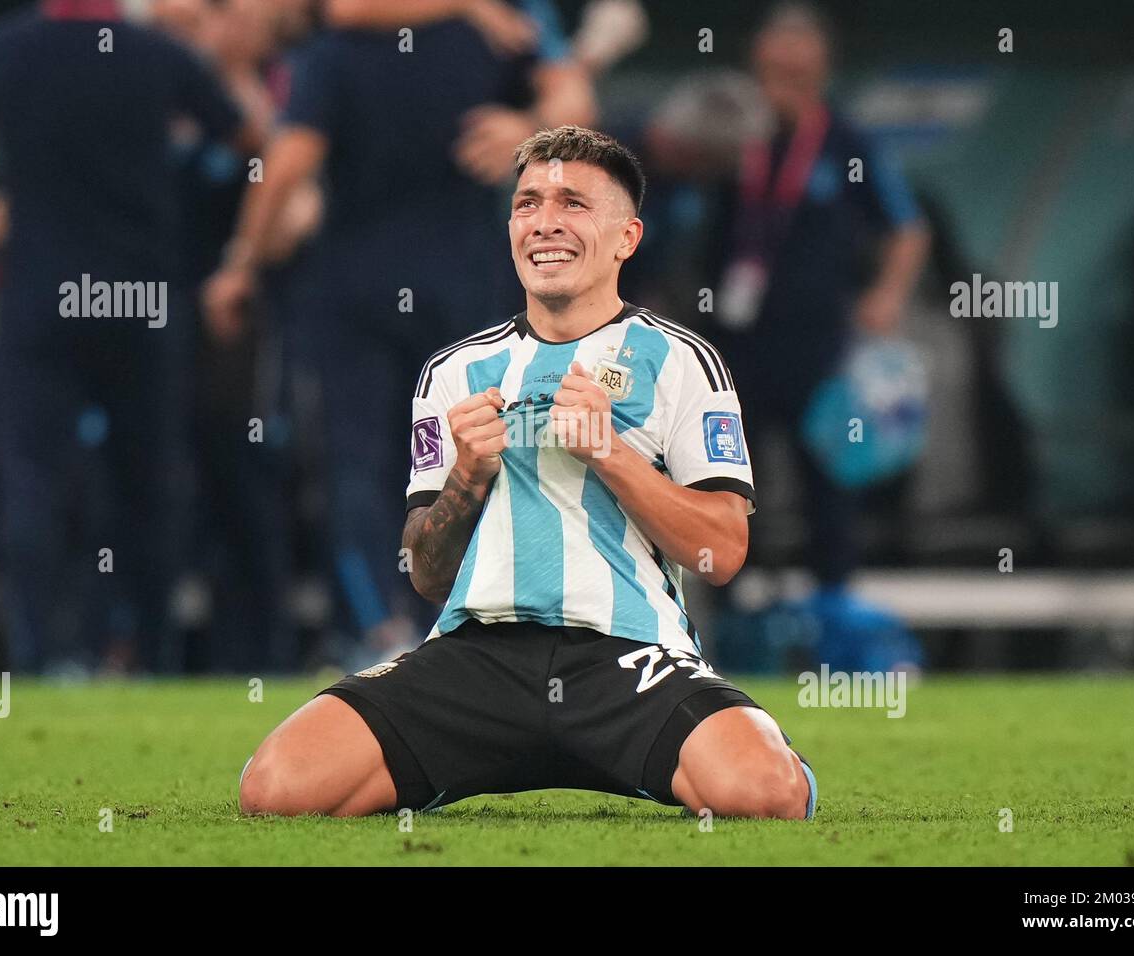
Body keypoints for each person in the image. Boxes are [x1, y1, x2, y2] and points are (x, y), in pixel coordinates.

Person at [239, 126, 816, 820]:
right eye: (527, 203)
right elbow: (427, 574)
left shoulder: (683, 361)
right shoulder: (452, 372)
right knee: (276, 791)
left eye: (573, 203)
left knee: (766, 794)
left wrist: (611, 454)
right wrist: (466, 480)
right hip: (475, 658)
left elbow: (720, 552)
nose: (545, 222)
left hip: (627, 658)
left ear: (627, 237)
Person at [203, 1, 594, 666]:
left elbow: (291, 158)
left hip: (355, 288)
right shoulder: (484, 38)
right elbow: (576, 102)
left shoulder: (335, 54)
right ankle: (464, 627)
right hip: (467, 290)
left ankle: (381, 628)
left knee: (358, 465)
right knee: (471, 458)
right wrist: (532, 126)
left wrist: (242, 260)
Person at [0, 0, 257, 672]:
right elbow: (242, 132)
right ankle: (153, 654)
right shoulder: (158, 55)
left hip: (39, 297)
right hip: (140, 300)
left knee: (32, 477)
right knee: (149, 482)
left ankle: (37, 654)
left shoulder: (5, 47)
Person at [710, 2, 929, 591]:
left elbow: (907, 229)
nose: (786, 59)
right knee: (728, 480)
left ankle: (835, 610)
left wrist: (886, 296)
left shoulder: (847, 143)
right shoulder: (728, 134)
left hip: (820, 346)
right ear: (755, 55)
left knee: (828, 481)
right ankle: (735, 621)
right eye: (775, 44)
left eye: (801, 45)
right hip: (733, 346)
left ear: (824, 61)